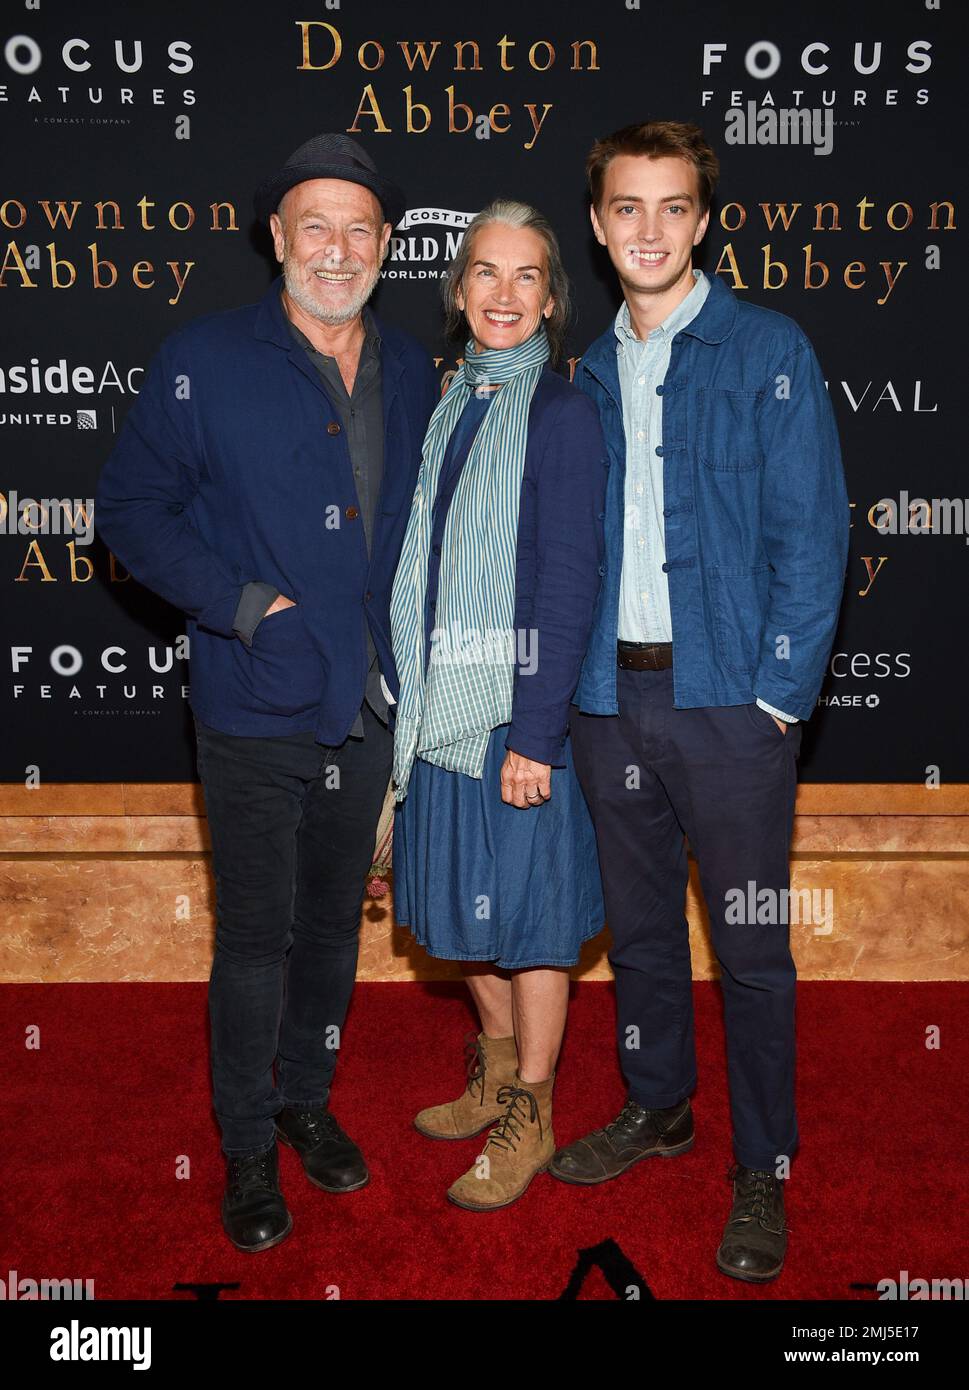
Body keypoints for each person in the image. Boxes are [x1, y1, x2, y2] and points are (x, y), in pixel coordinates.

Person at [94, 133, 440, 1253]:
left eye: (360, 229)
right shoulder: (205, 358)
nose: (337, 249)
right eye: (315, 225)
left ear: (386, 246)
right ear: (278, 237)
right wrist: (247, 606)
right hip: (251, 700)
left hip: (373, 708)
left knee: (334, 926)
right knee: (255, 936)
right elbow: (132, 513)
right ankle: (245, 1143)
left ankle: (306, 1099)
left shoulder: (414, 367)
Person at [551, 122, 850, 1283]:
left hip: (731, 708)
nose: (649, 231)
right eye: (627, 208)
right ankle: (659, 1104)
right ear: (596, 223)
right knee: (636, 940)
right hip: (606, 698)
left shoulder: (768, 347)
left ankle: (763, 1163)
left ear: (705, 218)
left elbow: (812, 534)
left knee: (754, 950)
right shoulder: (582, 374)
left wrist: (776, 701)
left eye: (673, 207)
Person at [390, 200, 609, 1211]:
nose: (505, 294)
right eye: (486, 273)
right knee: (459, 917)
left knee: (528, 922)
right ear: (460, 288)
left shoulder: (560, 413)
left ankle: (533, 1104)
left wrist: (537, 735)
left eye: (528, 277)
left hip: (510, 719)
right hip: (439, 712)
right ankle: (493, 1065)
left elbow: (569, 582)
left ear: (554, 298)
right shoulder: (453, 399)